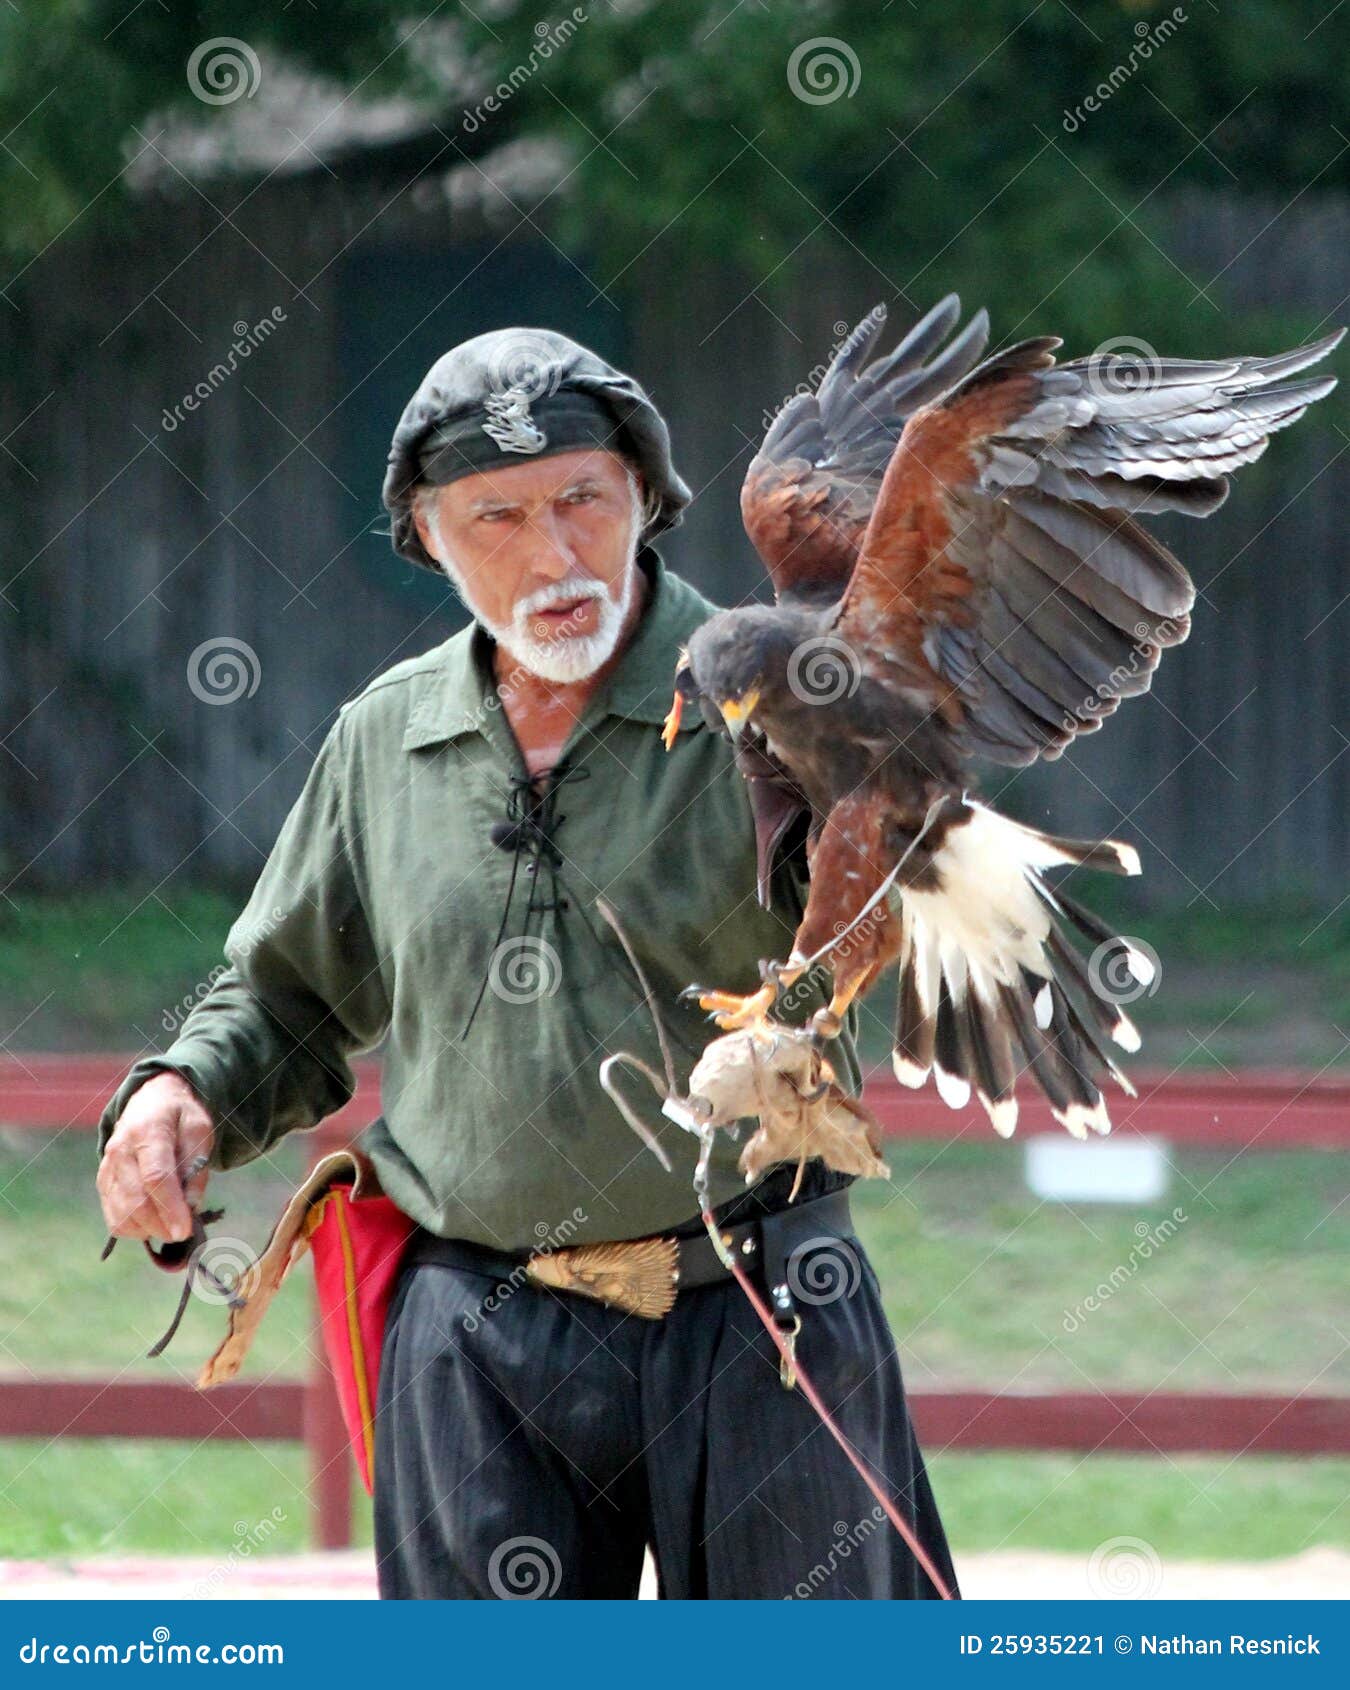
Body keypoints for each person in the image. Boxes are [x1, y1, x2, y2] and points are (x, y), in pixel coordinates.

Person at [95, 327, 960, 1601]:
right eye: (496, 516)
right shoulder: (384, 743)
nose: (553, 556)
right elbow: (285, 999)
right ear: (429, 540)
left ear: (643, 501)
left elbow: (883, 916)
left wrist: (887, 826)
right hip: (478, 1338)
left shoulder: (776, 692)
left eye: (581, 500)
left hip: (762, 1309)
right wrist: (183, 1093)